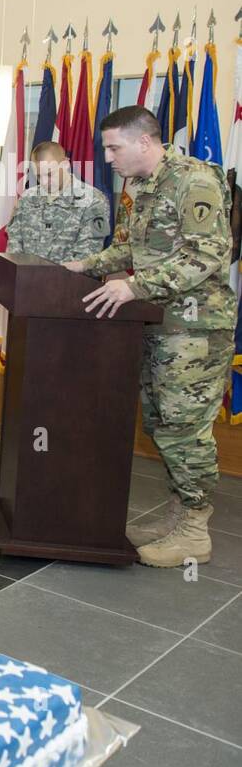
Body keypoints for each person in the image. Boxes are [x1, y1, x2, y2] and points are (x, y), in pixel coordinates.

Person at [63, 106, 235, 568]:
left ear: (144, 143)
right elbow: (133, 247)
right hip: (160, 324)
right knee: (161, 424)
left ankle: (194, 531)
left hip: (196, 329)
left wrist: (135, 285)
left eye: (114, 147)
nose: (108, 156)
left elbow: (209, 256)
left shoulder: (193, 181)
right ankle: (178, 515)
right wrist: (87, 265)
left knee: (186, 429)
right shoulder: (140, 185)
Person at [0, 140, 110, 451]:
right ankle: (16, 433)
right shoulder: (29, 199)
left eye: (51, 174)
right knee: (22, 374)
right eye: (39, 175)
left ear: (66, 164)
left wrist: (50, 285)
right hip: (27, 303)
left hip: (68, 307)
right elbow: (15, 244)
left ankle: (59, 440)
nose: (45, 182)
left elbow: (89, 256)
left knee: (63, 378)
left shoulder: (92, 201)